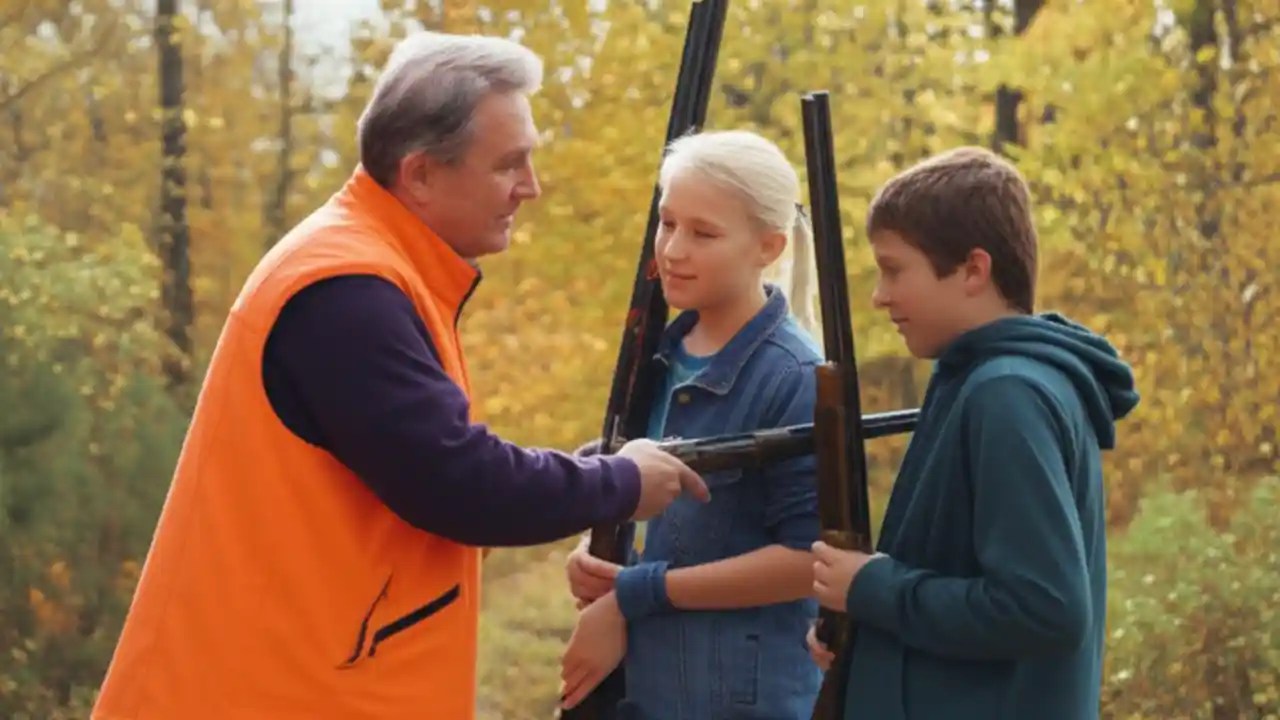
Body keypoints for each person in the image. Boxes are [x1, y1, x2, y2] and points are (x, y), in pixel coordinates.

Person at [91, 31, 708, 720]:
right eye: (509, 165)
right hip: (272, 691)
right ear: (419, 174)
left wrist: (589, 472)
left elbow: (426, 459)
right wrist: (620, 484)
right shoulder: (348, 291)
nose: (530, 188)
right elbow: (459, 483)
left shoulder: (370, 267)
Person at [806, 146, 1140, 720]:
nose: (880, 296)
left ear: (972, 270)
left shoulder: (1005, 395)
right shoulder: (976, 381)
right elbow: (952, 577)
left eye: (893, 269)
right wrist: (866, 630)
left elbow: (1045, 609)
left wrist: (874, 589)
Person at [559, 129, 826, 719]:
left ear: (768, 246)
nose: (673, 249)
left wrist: (633, 595)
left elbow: (808, 561)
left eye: (703, 233)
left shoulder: (794, 375)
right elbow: (655, 511)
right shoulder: (654, 357)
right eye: (667, 222)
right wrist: (596, 551)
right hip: (642, 691)